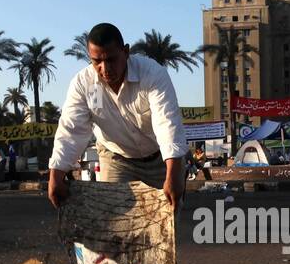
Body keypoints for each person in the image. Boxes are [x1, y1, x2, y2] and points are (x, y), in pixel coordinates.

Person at [48, 22, 188, 210]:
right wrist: (55, 176)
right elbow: (71, 131)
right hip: (116, 159)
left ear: (126, 52)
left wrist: (174, 174)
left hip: (160, 161)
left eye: (111, 59)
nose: (105, 69)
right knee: (114, 222)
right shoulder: (84, 85)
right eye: (96, 61)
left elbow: (167, 123)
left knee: (166, 225)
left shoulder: (152, 74)